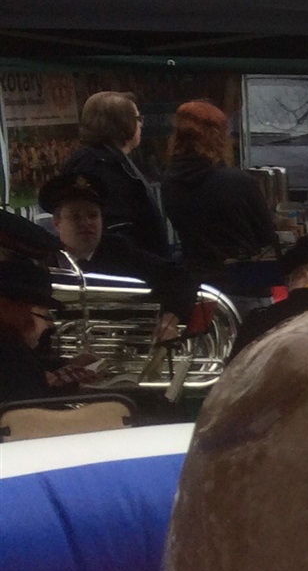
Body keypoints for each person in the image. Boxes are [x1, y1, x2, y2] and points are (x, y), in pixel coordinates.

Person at [40, 170, 196, 338]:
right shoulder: (42, 261)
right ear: (57, 223)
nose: (86, 223)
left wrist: (170, 318)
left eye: (93, 215)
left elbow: (180, 278)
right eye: (75, 217)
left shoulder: (121, 252)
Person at [159, 99, 280, 292]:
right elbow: (266, 237)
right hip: (241, 284)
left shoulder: (169, 182)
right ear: (218, 137)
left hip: (195, 283)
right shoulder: (239, 182)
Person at [59, 90, 172, 259]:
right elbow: (118, 232)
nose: (141, 125)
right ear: (122, 123)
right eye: (137, 119)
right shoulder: (102, 166)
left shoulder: (97, 159)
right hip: (127, 274)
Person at [0, 257, 98, 405]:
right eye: (46, 317)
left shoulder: (12, 351)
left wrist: (68, 365)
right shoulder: (13, 356)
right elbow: (34, 414)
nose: (50, 325)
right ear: (18, 313)